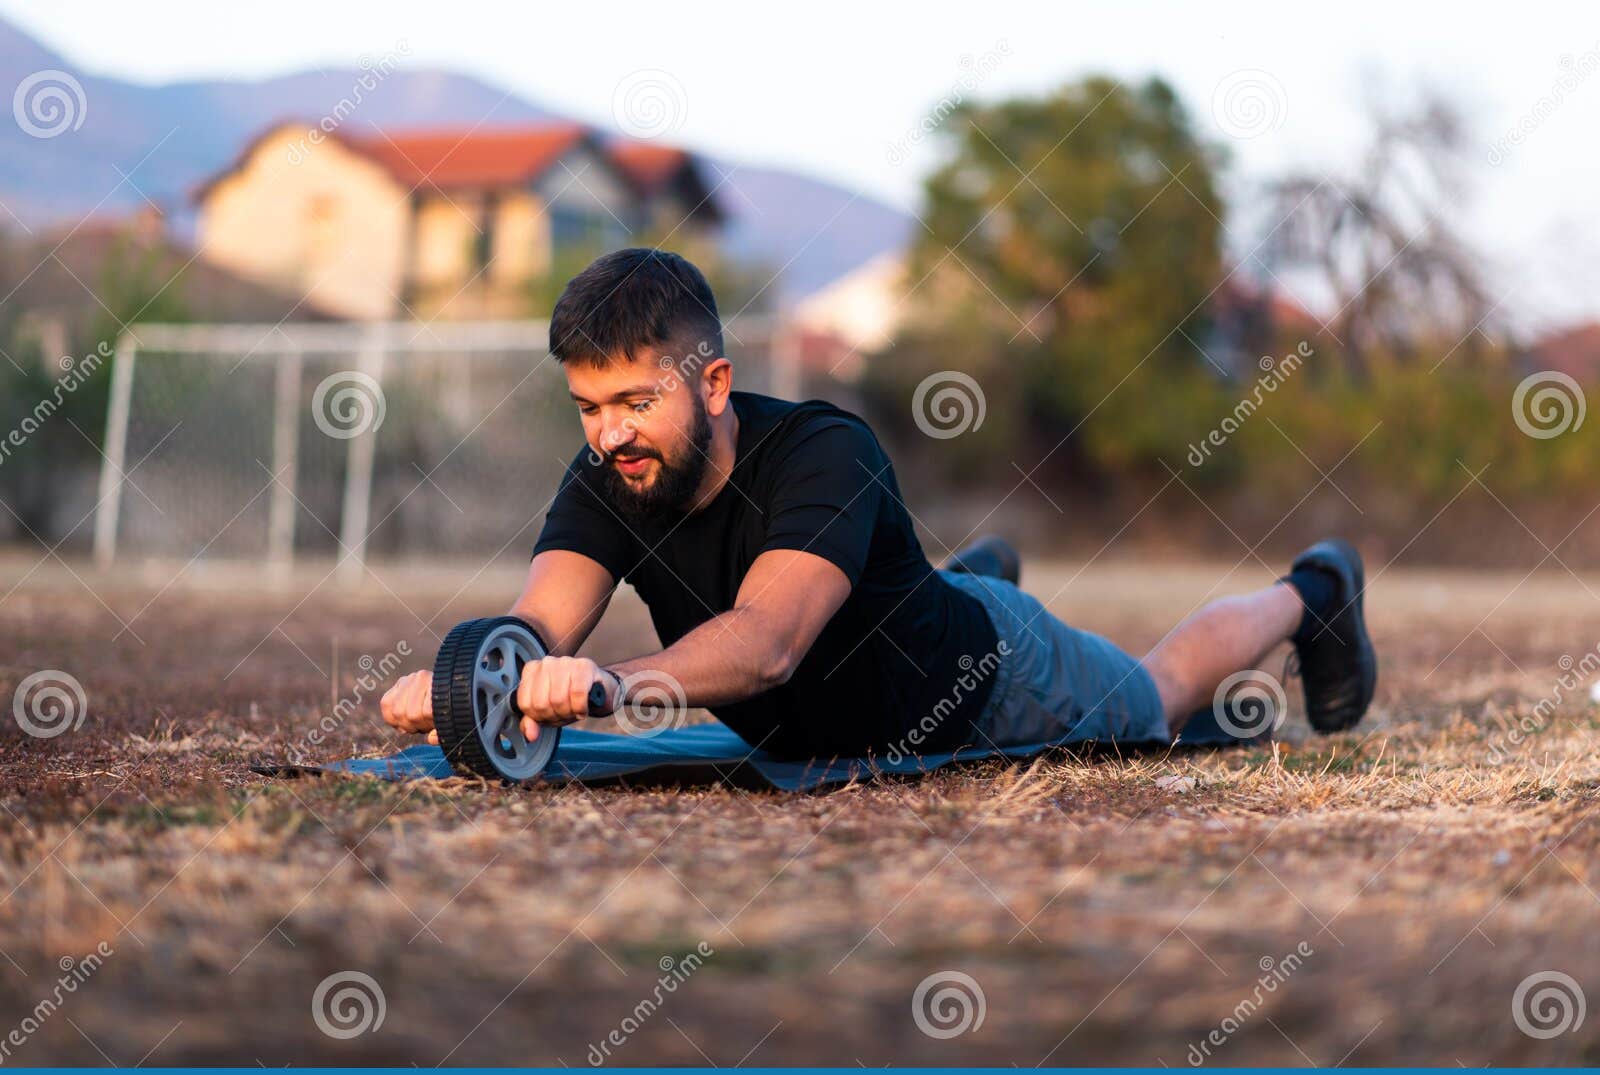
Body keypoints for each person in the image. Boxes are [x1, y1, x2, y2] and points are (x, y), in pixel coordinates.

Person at [380, 249, 1377, 759]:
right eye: (588, 408)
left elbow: (768, 645)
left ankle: (1313, 592)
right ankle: (956, 578)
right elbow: (536, 625)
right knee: (900, 595)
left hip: (987, 683)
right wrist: (468, 686)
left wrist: (606, 685)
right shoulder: (608, 473)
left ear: (713, 384)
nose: (610, 435)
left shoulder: (825, 452)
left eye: (636, 402)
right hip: (856, 679)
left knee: (1156, 700)